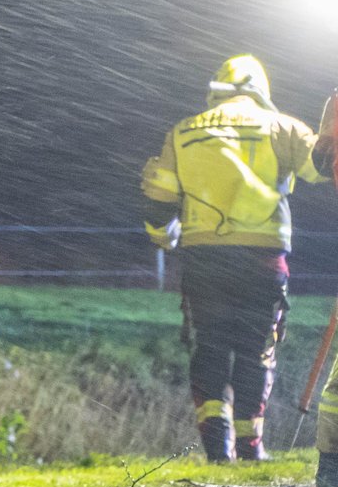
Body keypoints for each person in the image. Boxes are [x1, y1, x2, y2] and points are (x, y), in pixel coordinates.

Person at [141, 57, 332, 463]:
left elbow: (159, 194)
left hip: (204, 256)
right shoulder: (283, 127)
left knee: (209, 346)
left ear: (217, 88)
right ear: (262, 89)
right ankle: (250, 446)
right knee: (256, 349)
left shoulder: (185, 131)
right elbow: (322, 168)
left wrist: (164, 237)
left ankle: (216, 449)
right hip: (263, 256)